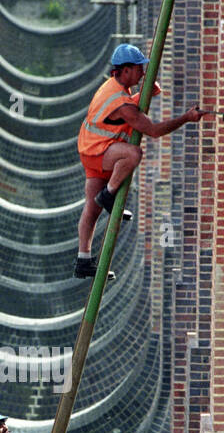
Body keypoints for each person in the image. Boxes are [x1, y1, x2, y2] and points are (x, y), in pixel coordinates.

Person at [74, 43, 206, 279]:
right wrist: (187, 117)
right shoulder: (121, 102)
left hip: (90, 151)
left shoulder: (114, 88)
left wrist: (143, 92)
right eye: (138, 69)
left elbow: (125, 105)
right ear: (125, 70)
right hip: (99, 152)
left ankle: (83, 261)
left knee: (91, 209)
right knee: (133, 154)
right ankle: (110, 193)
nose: (142, 73)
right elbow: (153, 130)